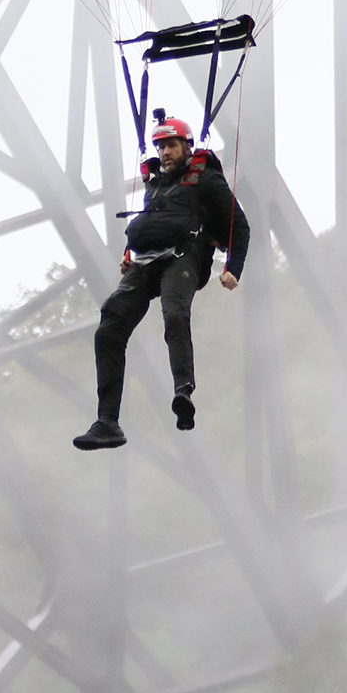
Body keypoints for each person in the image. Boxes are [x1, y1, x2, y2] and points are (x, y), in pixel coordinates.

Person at [73, 117, 249, 449]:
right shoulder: (156, 184)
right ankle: (107, 422)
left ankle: (183, 392)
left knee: (174, 312)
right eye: (161, 147)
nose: (165, 152)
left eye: (171, 145)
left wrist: (233, 268)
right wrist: (128, 251)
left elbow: (239, 227)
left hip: (185, 257)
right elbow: (150, 222)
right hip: (146, 262)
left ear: (186, 146)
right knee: (110, 324)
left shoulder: (206, 180)